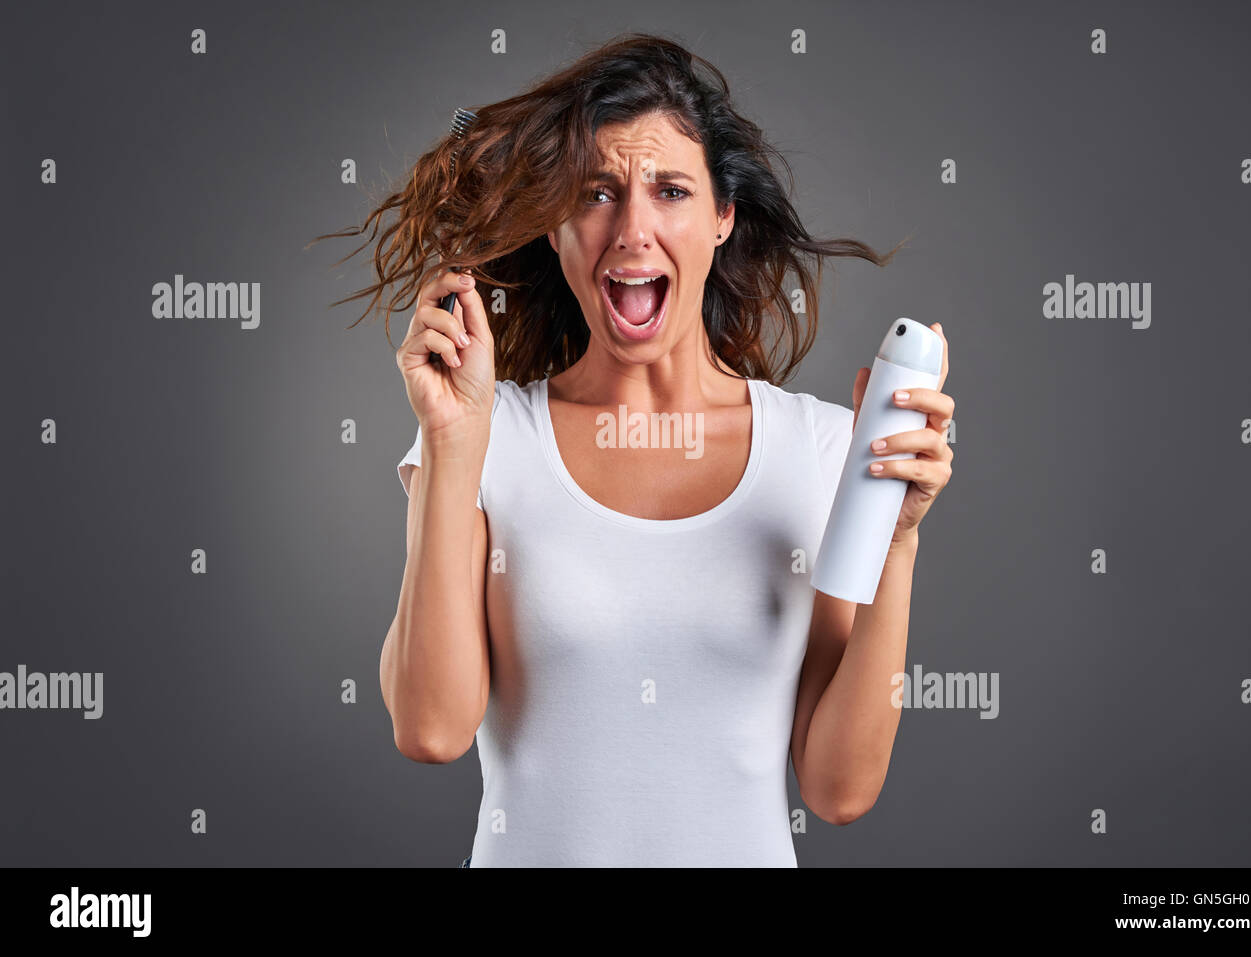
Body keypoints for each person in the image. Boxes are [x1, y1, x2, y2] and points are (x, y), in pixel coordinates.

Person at [319, 33, 954, 866]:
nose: (633, 229)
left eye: (671, 190)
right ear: (555, 227)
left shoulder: (817, 450)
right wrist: (450, 441)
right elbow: (432, 727)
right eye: (596, 192)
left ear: (723, 217)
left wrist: (895, 541)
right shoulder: (489, 433)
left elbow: (839, 790)